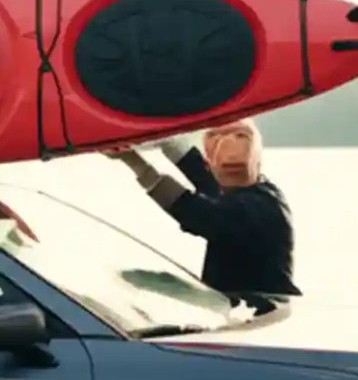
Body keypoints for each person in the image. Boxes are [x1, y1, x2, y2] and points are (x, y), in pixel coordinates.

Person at [103, 118, 301, 298]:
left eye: (240, 137)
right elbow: (202, 174)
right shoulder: (244, 189)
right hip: (246, 310)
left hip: (263, 316)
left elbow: (193, 212)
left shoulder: (257, 208)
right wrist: (166, 139)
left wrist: (134, 162)